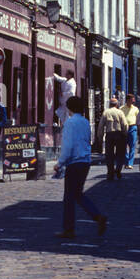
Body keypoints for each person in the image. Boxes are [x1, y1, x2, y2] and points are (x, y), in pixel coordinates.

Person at [55, 95, 107, 239]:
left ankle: (69, 229)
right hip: (85, 162)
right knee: (77, 194)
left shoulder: (70, 123)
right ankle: (97, 216)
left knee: (69, 197)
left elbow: (68, 145)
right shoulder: (85, 122)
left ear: (70, 108)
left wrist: (60, 162)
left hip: (74, 162)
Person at [99, 95, 129, 181]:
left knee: (109, 155)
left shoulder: (106, 112)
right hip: (119, 134)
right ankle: (118, 170)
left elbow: (101, 126)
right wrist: (125, 134)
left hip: (109, 135)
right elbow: (124, 124)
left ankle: (110, 173)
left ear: (110, 104)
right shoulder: (120, 112)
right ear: (117, 104)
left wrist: (100, 137)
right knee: (120, 154)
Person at [121, 93, 140, 171]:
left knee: (132, 146)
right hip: (125, 128)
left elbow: (138, 118)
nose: (133, 102)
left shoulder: (135, 109)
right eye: (132, 100)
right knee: (124, 146)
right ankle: (126, 162)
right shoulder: (121, 108)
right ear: (128, 100)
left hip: (133, 127)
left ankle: (130, 163)